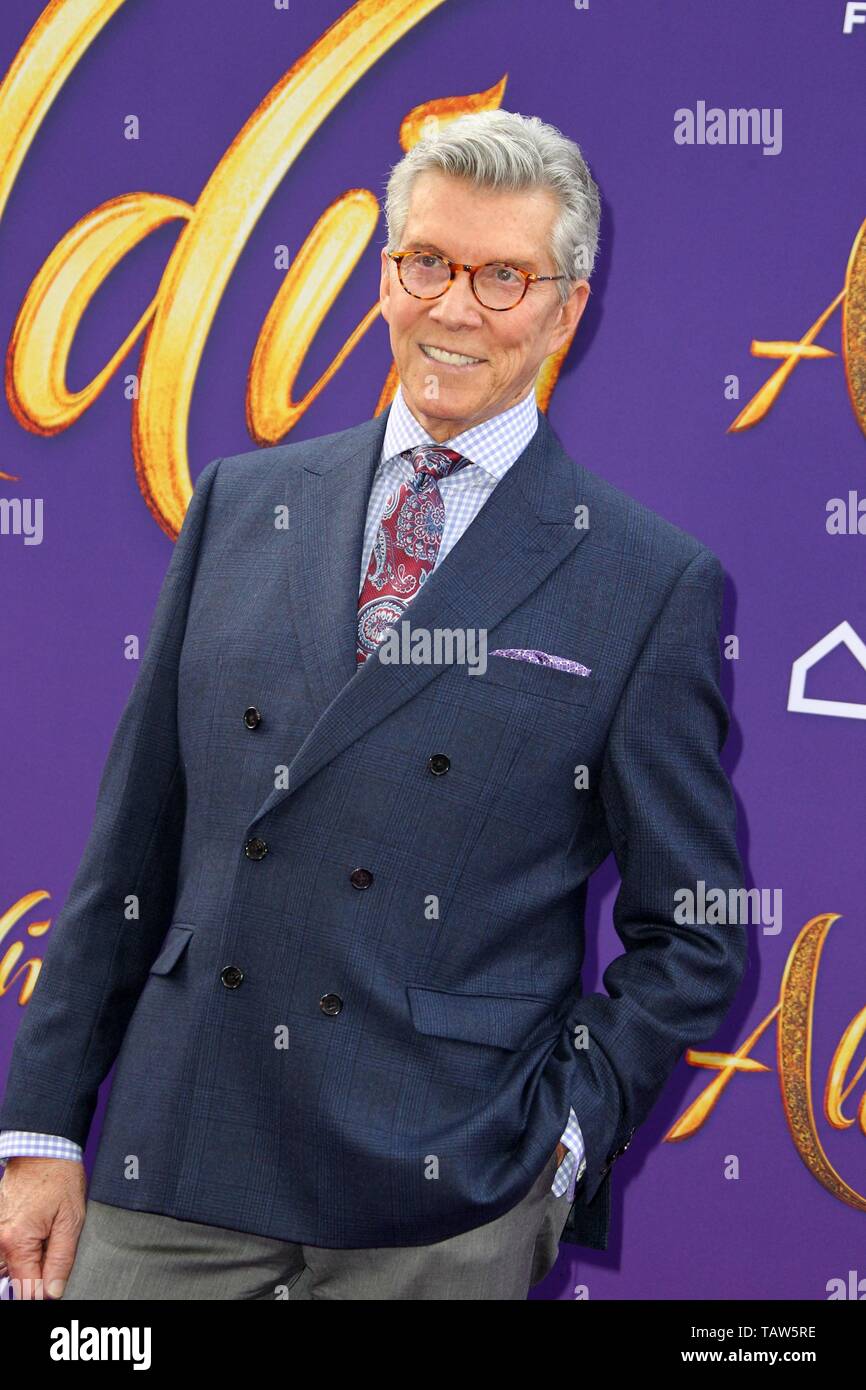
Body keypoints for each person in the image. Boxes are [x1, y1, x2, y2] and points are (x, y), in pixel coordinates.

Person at [0, 110, 747, 1300]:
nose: (454, 310)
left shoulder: (645, 582)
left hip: (439, 1201)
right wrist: (38, 1127)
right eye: (426, 264)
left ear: (565, 311)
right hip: (174, 1161)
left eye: (503, 277)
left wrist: (557, 1145)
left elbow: (695, 928)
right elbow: (126, 851)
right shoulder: (242, 506)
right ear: (383, 276)